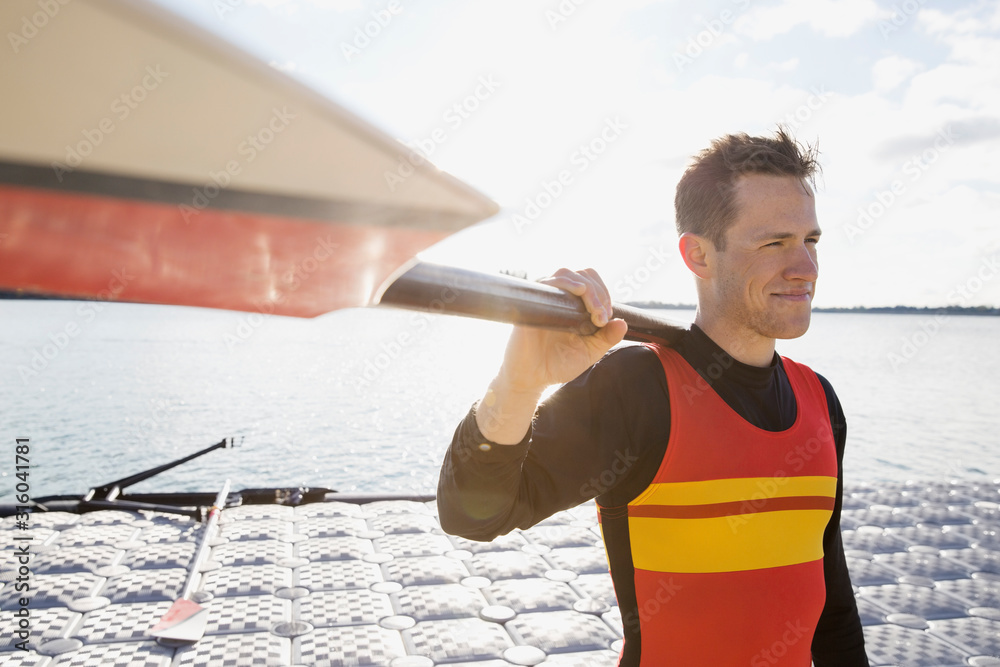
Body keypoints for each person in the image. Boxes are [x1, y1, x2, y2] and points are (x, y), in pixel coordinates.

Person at [437, 128, 869, 666]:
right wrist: (520, 383)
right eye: (774, 243)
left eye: (811, 241)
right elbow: (471, 515)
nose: (806, 267)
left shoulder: (820, 401)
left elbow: (832, 599)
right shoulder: (639, 388)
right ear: (699, 255)